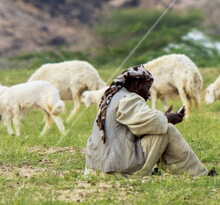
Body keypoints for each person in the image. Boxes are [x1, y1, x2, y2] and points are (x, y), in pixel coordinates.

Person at [84, 65, 213, 177]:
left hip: (95, 169)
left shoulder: (112, 98)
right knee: (167, 130)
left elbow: (139, 124)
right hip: (115, 171)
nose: (149, 94)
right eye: (147, 88)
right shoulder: (128, 99)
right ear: (136, 85)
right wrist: (166, 119)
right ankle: (199, 173)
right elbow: (146, 122)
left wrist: (162, 118)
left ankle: (173, 169)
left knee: (161, 126)